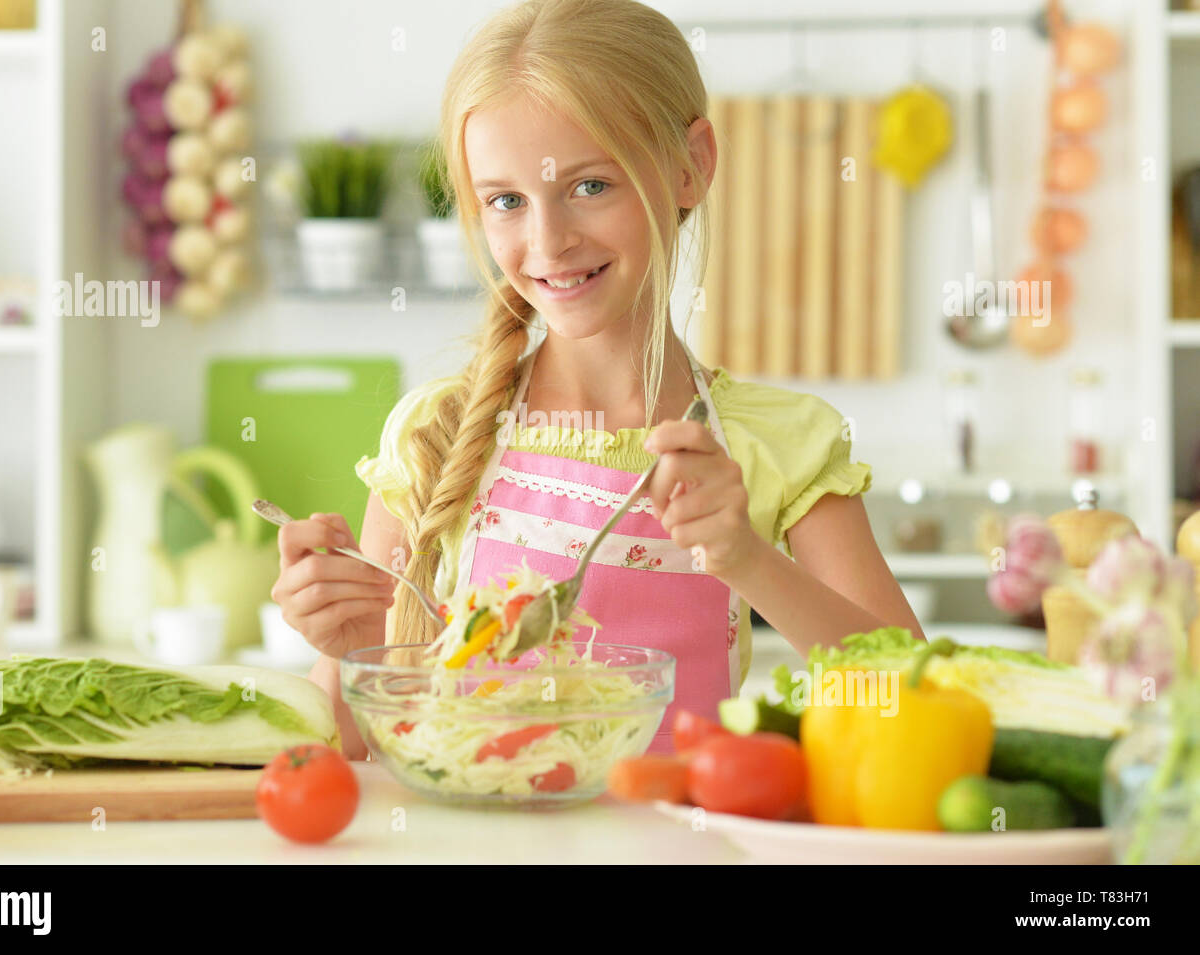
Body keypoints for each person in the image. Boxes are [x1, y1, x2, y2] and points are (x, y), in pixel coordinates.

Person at [272, 0, 925, 759]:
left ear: (690, 166)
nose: (548, 241)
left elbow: (905, 692)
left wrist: (746, 557)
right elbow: (343, 749)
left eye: (589, 186)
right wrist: (348, 648)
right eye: (507, 201)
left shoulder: (777, 441)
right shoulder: (434, 435)